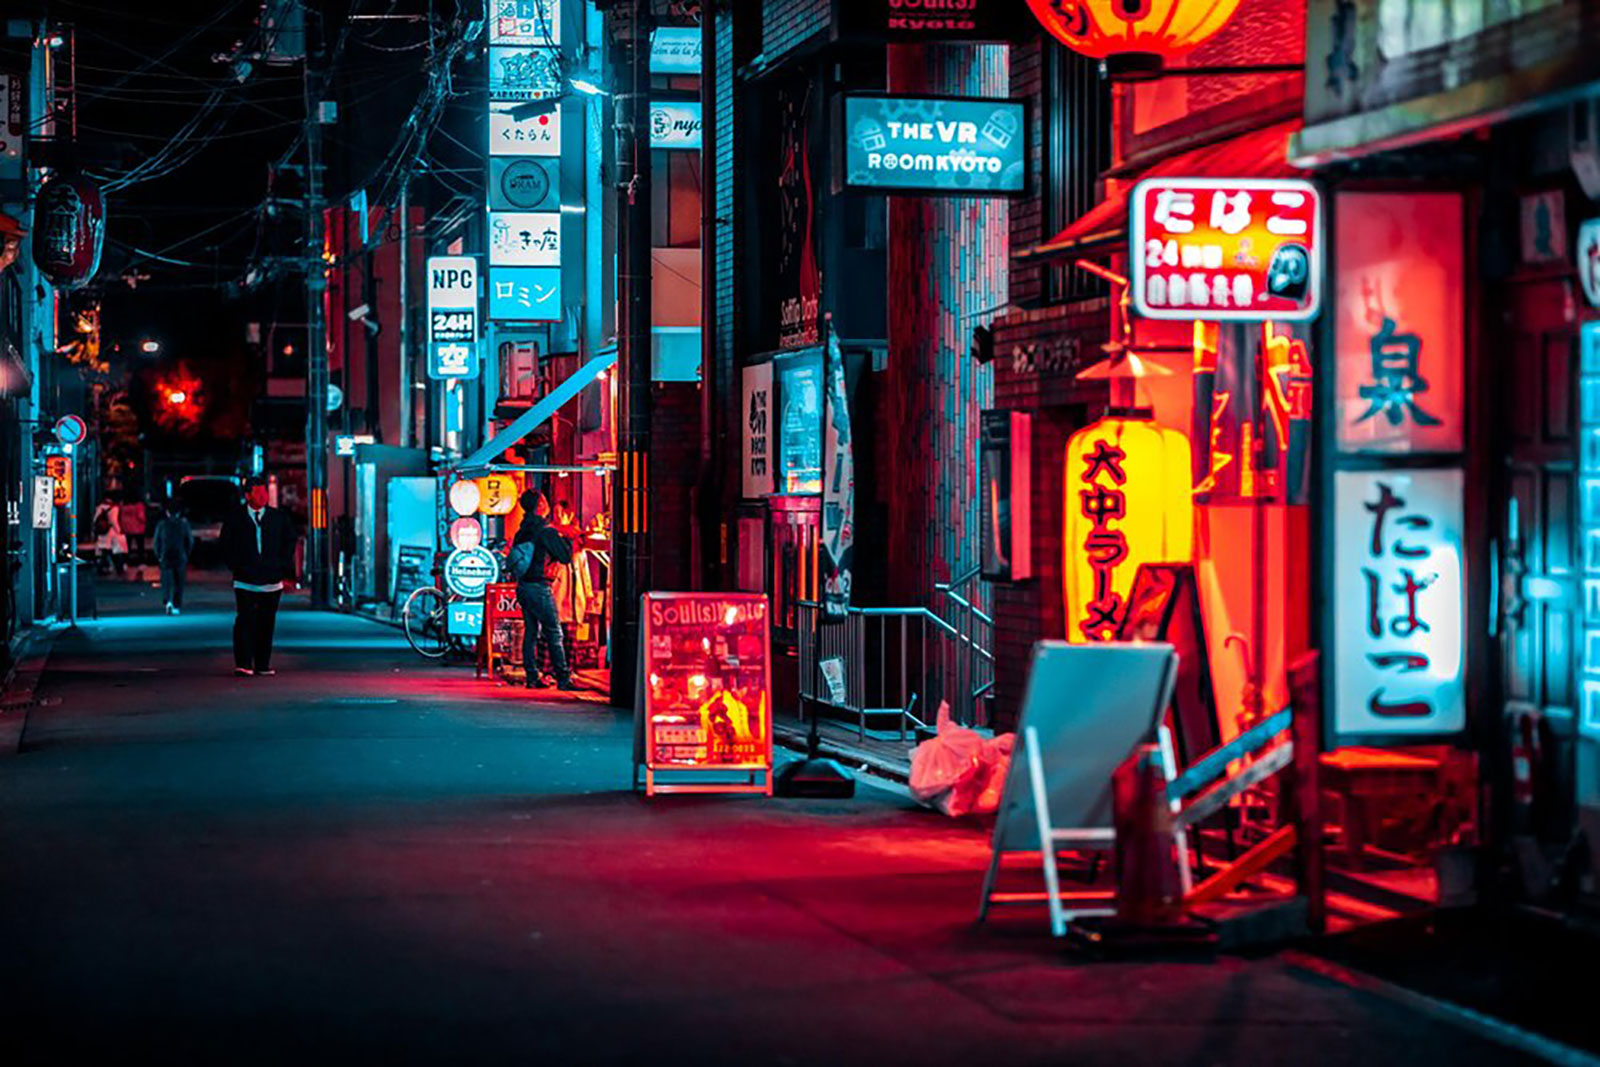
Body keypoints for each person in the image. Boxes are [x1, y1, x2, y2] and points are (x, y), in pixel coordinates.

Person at [221, 477, 298, 677]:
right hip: (245, 580)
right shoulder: (235, 518)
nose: (263, 496)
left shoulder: (277, 517)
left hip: (272, 580)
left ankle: (263, 663)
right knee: (245, 620)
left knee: (267, 622)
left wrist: (282, 568)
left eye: (264, 492)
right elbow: (226, 544)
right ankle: (244, 663)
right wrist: (236, 566)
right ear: (247, 496)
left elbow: (289, 541)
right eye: (258, 492)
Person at [509, 490, 576, 691]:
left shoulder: (522, 531)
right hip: (540, 586)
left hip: (524, 586)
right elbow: (565, 556)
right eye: (544, 501)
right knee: (554, 631)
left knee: (531, 632)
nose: (546, 504)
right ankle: (563, 679)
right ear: (539, 506)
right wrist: (567, 535)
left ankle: (532, 676)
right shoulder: (546, 531)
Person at [153, 502, 193, 615]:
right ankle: (176, 604)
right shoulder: (183, 524)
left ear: (167, 512)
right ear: (179, 513)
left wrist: (159, 555)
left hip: (165, 555)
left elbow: (156, 542)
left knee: (166, 580)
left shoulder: (162, 524)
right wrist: (186, 554)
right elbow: (189, 541)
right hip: (180, 555)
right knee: (179, 582)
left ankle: (167, 601)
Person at [92, 498, 126, 576]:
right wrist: (119, 531)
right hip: (111, 532)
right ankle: (119, 568)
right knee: (116, 551)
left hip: (102, 532)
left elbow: (95, 520)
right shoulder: (114, 508)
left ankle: (101, 568)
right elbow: (114, 521)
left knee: (104, 551)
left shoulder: (99, 507)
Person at [119, 495, 148, 565]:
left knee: (127, 546)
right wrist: (146, 521)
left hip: (126, 528)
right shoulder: (139, 505)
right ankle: (141, 562)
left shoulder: (123, 505)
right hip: (138, 528)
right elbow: (141, 517)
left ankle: (125, 561)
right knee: (140, 546)